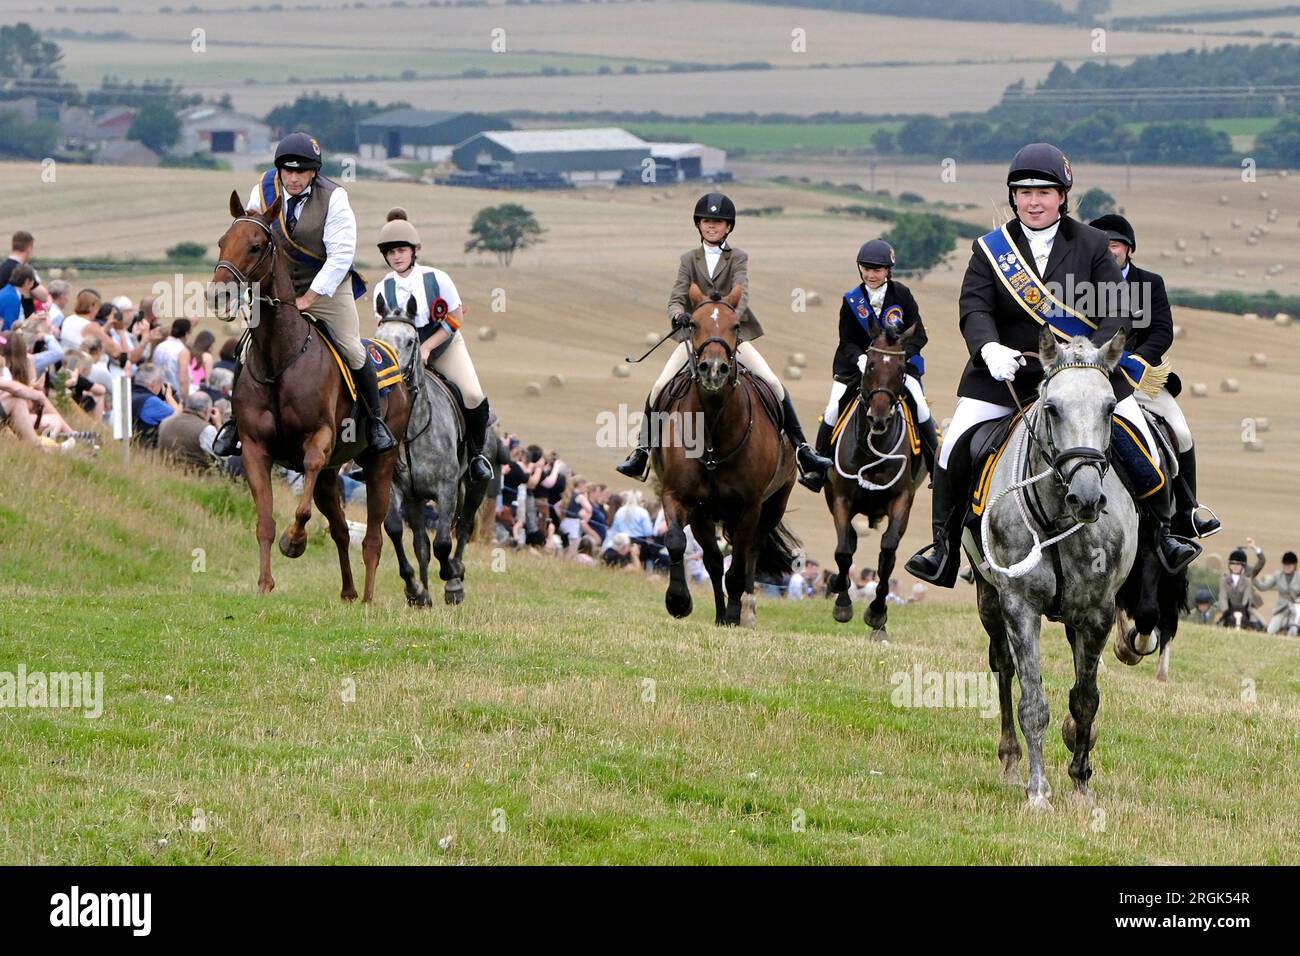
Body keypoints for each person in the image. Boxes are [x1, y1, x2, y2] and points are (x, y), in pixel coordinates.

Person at [906, 142, 1198, 587]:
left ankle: (1165, 535)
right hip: (1008, 377)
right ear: (1013, 198)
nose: (1033, 201)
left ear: (1062, 196)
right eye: (1024, 192)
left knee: (1142, 443)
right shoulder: (989, 249)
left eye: (1044, 192)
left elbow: (1117, 310)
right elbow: (974, 308)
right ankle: (942, 548)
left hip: (1086, 378)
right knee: (951, 450)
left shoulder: (1093, 244)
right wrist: (988, 349)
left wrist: (1091, 361)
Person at [615, 192, 831, 490]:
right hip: (697, 339)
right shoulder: (688, 260)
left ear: (728, 227)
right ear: (699, 225)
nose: (712, 226)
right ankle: (641, 453)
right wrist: (678, 315)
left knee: (775, 384)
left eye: (717, 222)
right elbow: (677, 298)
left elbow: (743, 292)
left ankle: (803, 451)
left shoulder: (738, 258)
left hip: (732, 338)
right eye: (706, 221)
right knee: (658, 387)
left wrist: (730, 318)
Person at [212, 131, 395, 456]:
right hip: (275, 287)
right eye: (288, 171)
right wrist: (240, 293)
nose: (293, 178)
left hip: (326, 289)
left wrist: (309, 298)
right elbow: (249, 241)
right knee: (244, 350)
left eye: (302, 171)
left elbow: (340, 257)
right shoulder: (263, 189)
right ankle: (233, 425)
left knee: (352, 349)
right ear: (280, 169)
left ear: (314, 172)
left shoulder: (334, 198)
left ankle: (376, 422)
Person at [1090, 213, 1219, 538]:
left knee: (1181, 431)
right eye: (1102, 245)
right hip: (1092, 377)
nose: (1109, 250)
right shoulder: (1080, 285)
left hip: (1141, 377)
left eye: (1115, 245)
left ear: (1129, 249)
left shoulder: (1151, 283)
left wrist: (1136, 362)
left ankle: (1187, 513)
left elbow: (1162, 331)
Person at [372, 207, 493, 481]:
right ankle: (372, 454)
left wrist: (427, 348)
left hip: (443, 343)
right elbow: (384, 329)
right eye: (391, 252)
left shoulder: (437, 278)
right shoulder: (382, 287)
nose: (396, 256)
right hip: (402, 351)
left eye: (401, 250)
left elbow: (456, 316)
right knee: (375, 398)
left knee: (473, 395)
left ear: (414, 251)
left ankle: (476, 456)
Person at [818, 239, 938, 478]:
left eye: (877, 270)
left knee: (921, 407)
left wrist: (900, 358)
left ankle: (934, 465)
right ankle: (818, 467)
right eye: (866, 268)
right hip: (857, 367)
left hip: (896, 368)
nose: (871, 275)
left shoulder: (902, 294)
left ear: (887, 271)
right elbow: (846, 341)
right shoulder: (851, 299)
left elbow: (919, 335)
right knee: (833, 409)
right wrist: (861, 359)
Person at [157, 390, 222, 469]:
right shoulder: (206, 430)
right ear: (206, 411)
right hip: (197, 477)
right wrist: (219, 425)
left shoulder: (165, 422)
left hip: (166, 473)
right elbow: (225, 455)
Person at [0, 231, 50, 320]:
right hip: (22, 321)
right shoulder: (21, 271)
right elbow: (43, 296)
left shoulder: (2, 268)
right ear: (29, 248)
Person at [130, 362, 180, 447]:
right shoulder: (151, 402)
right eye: (161, 383)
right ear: (153, 384)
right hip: (146, 452)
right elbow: (180, 419)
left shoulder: (130, 393)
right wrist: (169, 397)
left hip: (132, 446)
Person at [1218, 540, 1265, 629]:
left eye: (1238, 564)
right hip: (1228, 609)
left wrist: (1255, 548)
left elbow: (1247, 598)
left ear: (1243, 566)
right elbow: (1223, 597)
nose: (1235, 566)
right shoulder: (1225, 579)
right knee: (1217, 622)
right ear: (1229, 565)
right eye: (1233, 564)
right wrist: (1226, 611)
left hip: (1245, 609)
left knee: (1260, 623)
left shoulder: (1248, 576)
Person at [1256, 548, 1300, 635]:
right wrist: (1252, 578)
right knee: (1270, 631)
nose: (1287, 566)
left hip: (1297, 611)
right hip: (1281, 610)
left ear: (1294, 565)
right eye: (1285, 564)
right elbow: (1263, 587)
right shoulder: (1277, 575)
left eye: (1289, 564)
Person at [151, 318, 193, 399]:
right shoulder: (183, 351)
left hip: (156, 391)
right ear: (187, 334)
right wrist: (185, 400)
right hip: (173, 395)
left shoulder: (160, 346)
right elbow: (183, 379)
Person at [0, 265, 36, 331]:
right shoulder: (12, 298)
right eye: (33, 281)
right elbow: (9, 329)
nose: (33, 284)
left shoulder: (10, 291)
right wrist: (29, 321)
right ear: (27, 282)